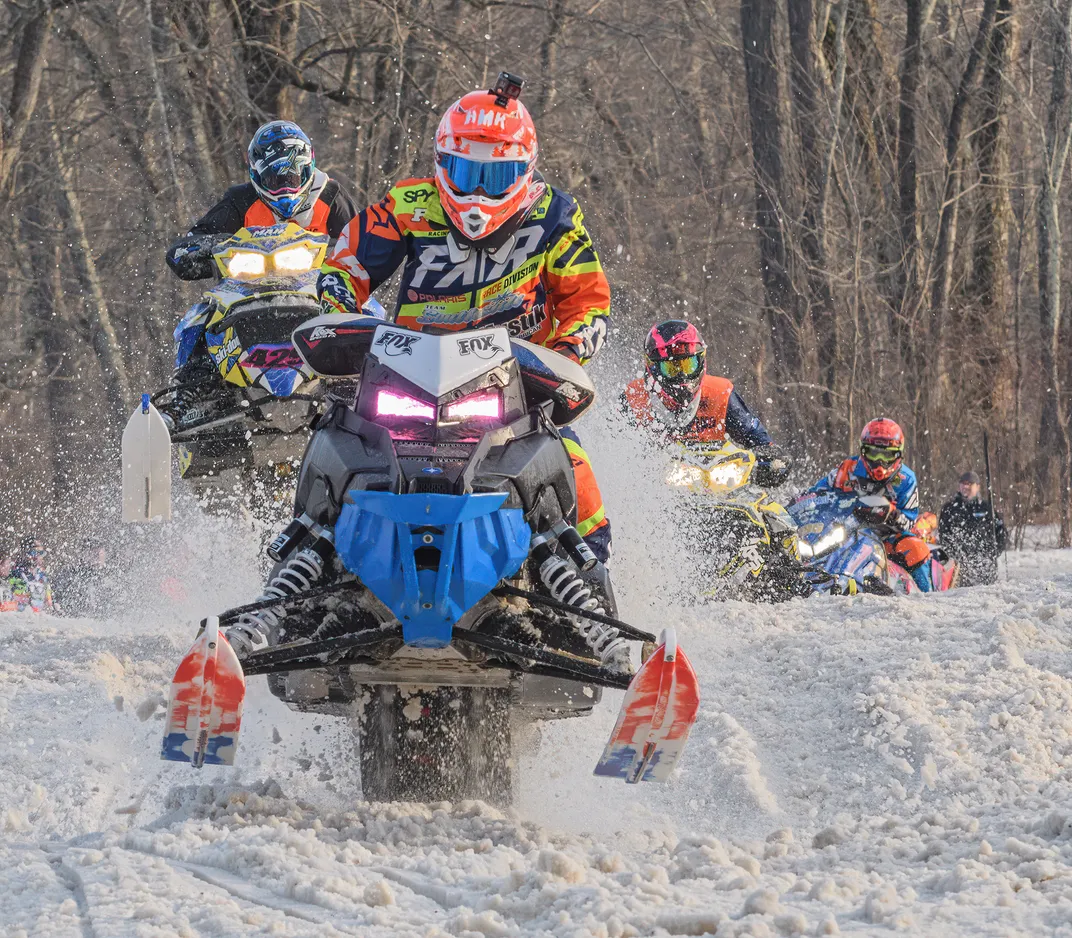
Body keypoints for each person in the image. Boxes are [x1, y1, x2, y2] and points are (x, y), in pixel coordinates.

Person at [317, 71, 612, 562]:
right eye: (462, 171)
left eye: (493, 177)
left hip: (513, 381)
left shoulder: (554, 216)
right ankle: (300, 561)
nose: (476, 192)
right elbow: (346, 265)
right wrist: (337, 305)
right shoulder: (408, 205)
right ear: (440, 164)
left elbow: (588, 300)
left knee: (570, 459)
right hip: (406, 372)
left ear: (525, 171)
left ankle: (591, 580)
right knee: (333, 436)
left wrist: (564, 354)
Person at [166, 120, 359, 280]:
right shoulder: (242, 201)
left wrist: (334, 251)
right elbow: (181, 252)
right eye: (274, 180)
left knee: (365, 310)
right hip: (246, 293)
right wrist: (219, 246)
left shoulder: (330, 195)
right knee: (197, 321)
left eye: (292, 178)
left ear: (307, 169)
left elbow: (363, 243)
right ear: (257, 176)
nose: (285, 188)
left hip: (322, 291)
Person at [621, 320, 791, 487]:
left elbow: (756, 437)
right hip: (657, 488)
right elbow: (616, 453)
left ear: (700, 361)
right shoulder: (634, 398)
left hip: (721, 485)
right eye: (672, 369)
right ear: (654, 368)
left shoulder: (720, 393)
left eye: (688, 365)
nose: (682, 376)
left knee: (771, 511)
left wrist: (771, 458)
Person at [806, 418, 935, 592]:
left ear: (898, 454)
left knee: (916, 549)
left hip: (887, 535)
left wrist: (891, 514)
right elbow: (816, 495)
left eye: (887, 455)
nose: (880, 462)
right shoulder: (846, 469)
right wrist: (797, 506)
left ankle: (929, 597)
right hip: (846, 526)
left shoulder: (906, 480)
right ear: (863, 451)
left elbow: (909, 521)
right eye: (874, 454)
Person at [939, 470, 1007, 586]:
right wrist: (956, 557)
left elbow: (1001, 533)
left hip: (985, 569)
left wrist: (991, 554)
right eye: (963, 483)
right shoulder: (949, 509)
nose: (966, 486)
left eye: (970, 483)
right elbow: (944, 536)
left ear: (978, 487)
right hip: (959, 571)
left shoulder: (987, 508)